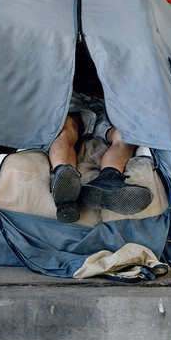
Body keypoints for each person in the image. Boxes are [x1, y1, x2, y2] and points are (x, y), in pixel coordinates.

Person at [47, 43, 152, 223]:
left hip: (110, 100)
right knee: (67, 129)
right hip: (75, 93)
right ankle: (65, 181)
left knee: (124, 135)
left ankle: (103, 180)